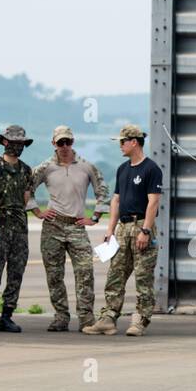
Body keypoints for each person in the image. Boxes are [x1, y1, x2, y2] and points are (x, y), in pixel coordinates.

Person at [28, 125, 109, 332]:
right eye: (60, 142)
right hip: (53, 225)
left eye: (68, 142)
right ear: (53, 143)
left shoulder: (86, 166)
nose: (64, 146)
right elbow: (27, 188)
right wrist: (37, 211)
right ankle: (61, 316)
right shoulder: (45, 167)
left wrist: (96, 216)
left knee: (85, 271)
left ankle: (85, 318)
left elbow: (102, 189)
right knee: (54, 274)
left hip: (76, 225)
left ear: (73, 142)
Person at [84, 125, 161, 337]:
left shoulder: (151, 169)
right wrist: (110, 229)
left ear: (134, 142)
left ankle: (140, 320)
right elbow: (116, 199)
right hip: (122, 228)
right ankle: (108, 318)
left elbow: (153, 202)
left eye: (122, 142)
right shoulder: (123, 169)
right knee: (115, 275)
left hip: (141, 225)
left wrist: (145, 230)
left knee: (143, 278)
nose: (120, 146)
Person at [0, 125, 34, 333]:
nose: (16, 147)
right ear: (4, 142)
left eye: (20, 143)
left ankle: (7, 315)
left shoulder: (26, 170)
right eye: (13, 142)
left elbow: (26, 197)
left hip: (19, 227)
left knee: (16, 273)